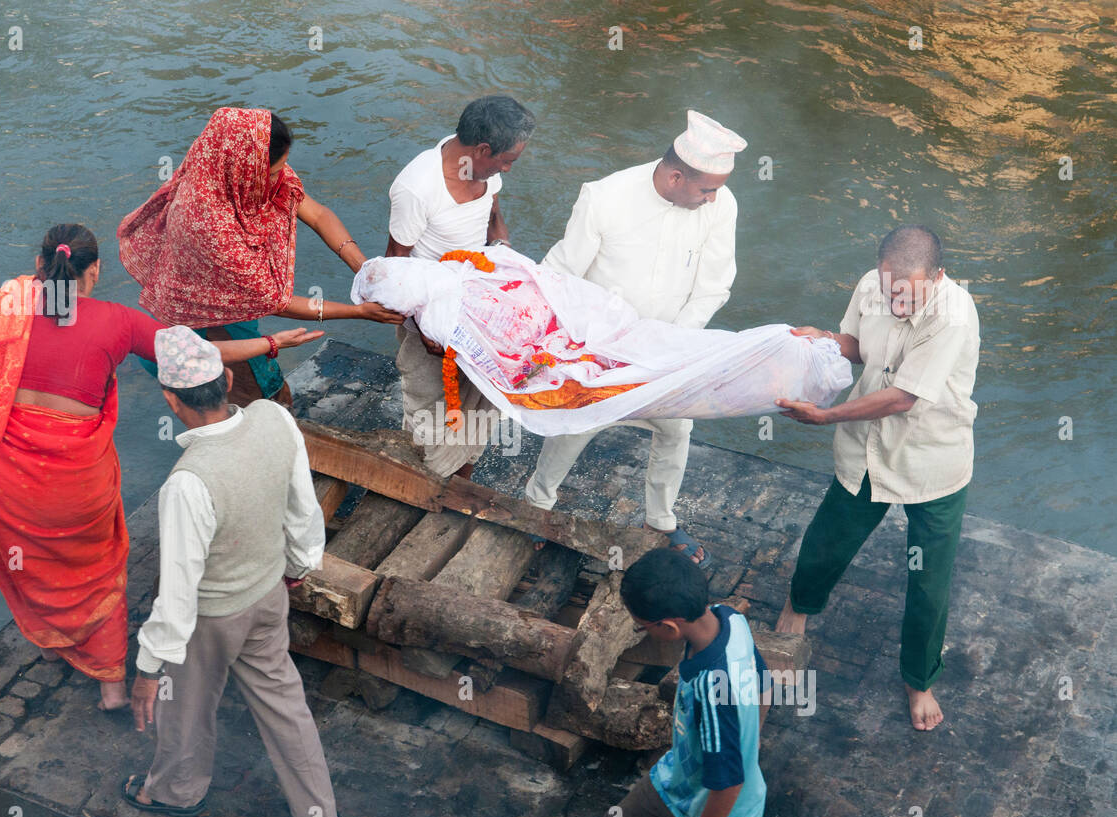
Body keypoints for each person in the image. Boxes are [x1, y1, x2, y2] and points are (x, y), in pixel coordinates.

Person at [0, 224, 321, 712]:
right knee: (98, 567)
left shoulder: (7, 307)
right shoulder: (121, 321)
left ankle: (49, 647)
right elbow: (199, 356)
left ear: (40, 266)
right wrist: (272, 344)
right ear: (95, 270)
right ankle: (111, 686)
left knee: (28, 559)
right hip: (74, 482)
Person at [123, 326, 350, 817]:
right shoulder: (274, 419)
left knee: (186, 709)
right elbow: (302, 508)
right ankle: (324, 816)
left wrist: (148, 669)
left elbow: (178, 595)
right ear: (226, 379)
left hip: (212, 620)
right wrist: (296, 567)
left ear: (170, 400)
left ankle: (176, 793)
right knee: (285, 705)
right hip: (270, 595)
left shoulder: (187, 482)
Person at [774, 225, 978, 732]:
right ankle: (800, 605)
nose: (898, 304)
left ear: (938, 277)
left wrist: (824, 416)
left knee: (929, 580)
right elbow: (860, 346)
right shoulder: (873, 285)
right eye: (891, 295)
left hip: (931, 459)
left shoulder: (953, 316)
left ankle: (919, 678)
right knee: (829, 538)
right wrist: (823, 341)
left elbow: (904, 396)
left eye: (909, 295)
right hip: (867, 449)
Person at [523, 110, 747, 562]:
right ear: (676, 176)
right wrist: (554, 341)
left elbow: (713, 286)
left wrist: (667, 345)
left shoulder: (721, 205)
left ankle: (659, 519)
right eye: (706, 189)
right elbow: (563, 271)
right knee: (574, 425)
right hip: (599, 345)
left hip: (666, 346)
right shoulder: (605, 197)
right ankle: (536, 506)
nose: (712, 199)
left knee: (677, 427)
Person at [118, 107, 405, 408]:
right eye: (273, 173)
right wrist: (359, 312)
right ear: (246, 171)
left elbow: (317, 214)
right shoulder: (210, 225)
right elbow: (275, 302)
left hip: (209, 304)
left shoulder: (223, 167)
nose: (281, 179)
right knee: (264, 402)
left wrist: (365, 268)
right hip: (206, 330)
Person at [384, 94, 536, 477]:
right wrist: (423, 328)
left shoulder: (487, 173)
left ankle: (461, 480)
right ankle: (423, 483)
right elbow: (395, 268)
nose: (509, 169)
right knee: (431, 412)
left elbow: (494, 218)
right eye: (508, 160)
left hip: (478, 308)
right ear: (483, 150)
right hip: (429, 315)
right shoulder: (418, 187)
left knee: (483, 402)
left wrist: (504, 257)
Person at [602, 548, 769, 817]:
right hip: (676, 782)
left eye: (642, 627)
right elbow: (764, 682)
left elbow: (729, 782)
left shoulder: (712, 690)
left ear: (669, 627)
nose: (644, 633)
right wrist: (752, 738)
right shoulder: (729, 618)